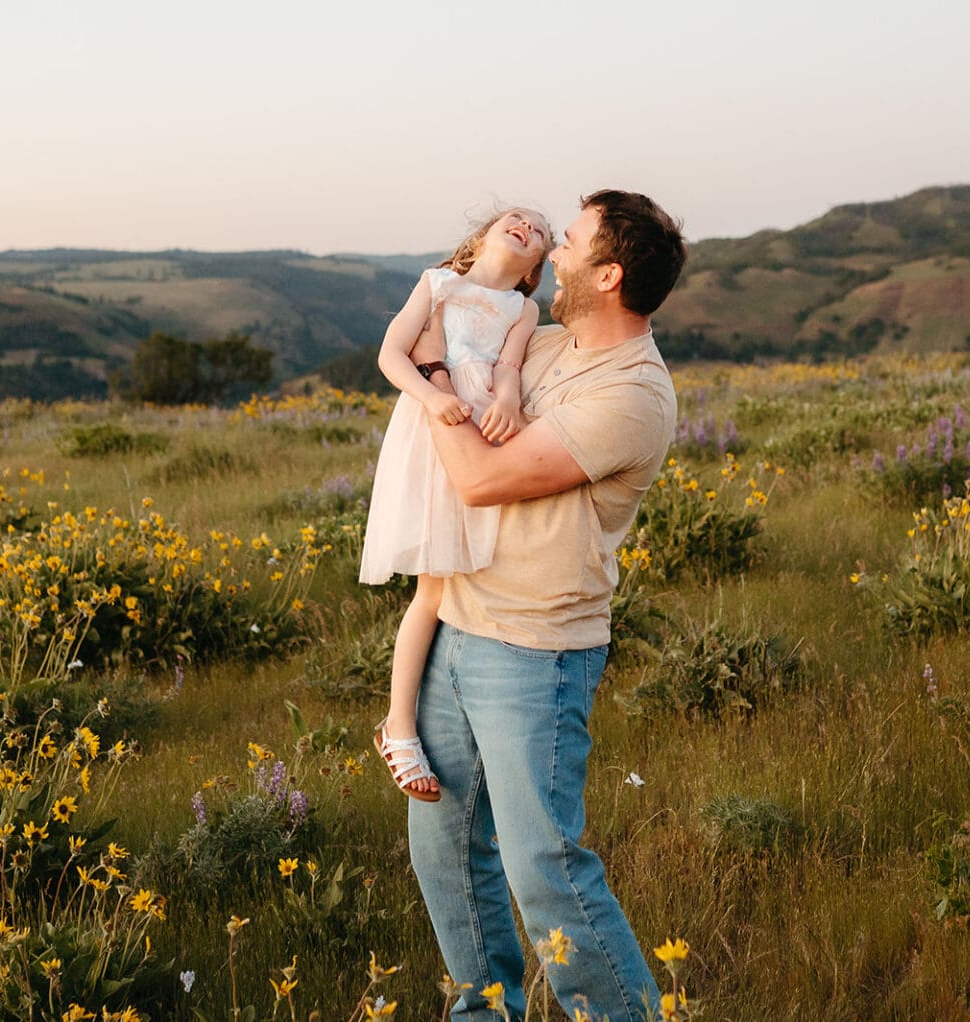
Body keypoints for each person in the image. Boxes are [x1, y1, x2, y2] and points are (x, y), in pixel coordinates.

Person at [410, 189, 687, 1022]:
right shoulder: (551, 344)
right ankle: (482, 1015)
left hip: (535, 649)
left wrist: (431, 385)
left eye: (570, 245)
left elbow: (484, 478)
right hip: (455, 625)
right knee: (447, 856)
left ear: (608, 274)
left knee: (545, 870)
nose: (554, 257)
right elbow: (440, 322)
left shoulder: (634, 393)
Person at [359, 206, 554, 802]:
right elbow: (391, 354)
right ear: (483, 236)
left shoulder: (525, 309)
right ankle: (398, 725)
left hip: (484, 429)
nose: (527, 225)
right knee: (435, 588)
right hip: (435, 429)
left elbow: (510, 366)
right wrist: (428, 396)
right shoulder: (437, 283)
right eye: (515, 218)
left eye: (540, 231)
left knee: (477, 577)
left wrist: (509, 402)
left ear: (535, 268)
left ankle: (457, 712)